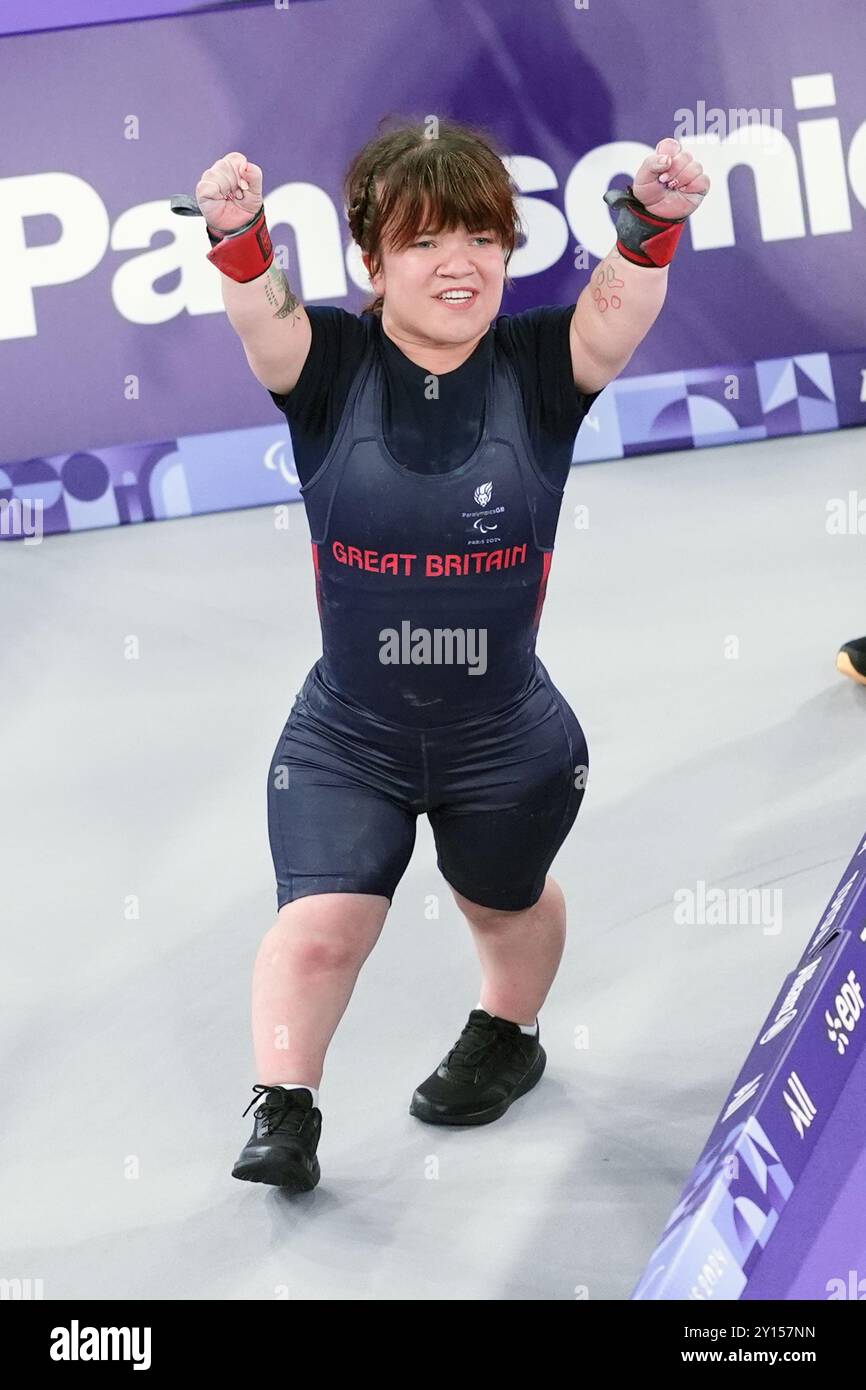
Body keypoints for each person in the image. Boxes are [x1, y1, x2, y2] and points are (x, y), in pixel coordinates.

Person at [178, 116, 708, 1191]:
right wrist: (238, 235)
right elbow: (258, 315)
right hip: (348, 735)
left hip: (507, 738)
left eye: (481, 237)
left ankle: (506, 1032)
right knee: (319, 925)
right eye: (424, 242)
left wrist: (651, 220)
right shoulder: (323, 364)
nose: (458, 263)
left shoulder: (543, 364)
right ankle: (284, 1108)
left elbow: (623, 303)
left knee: (499, 902)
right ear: (371, 262)